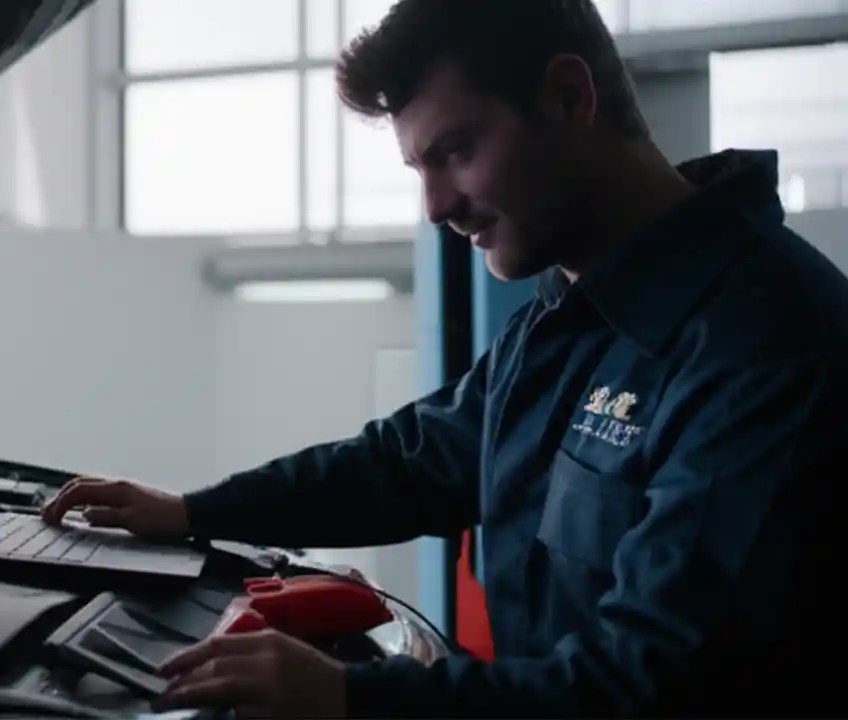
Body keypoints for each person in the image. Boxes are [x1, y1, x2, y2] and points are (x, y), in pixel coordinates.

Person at [44, 0, 848, 716]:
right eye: (418, 168)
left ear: (570, 98)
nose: (433, 208)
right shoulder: (575, 310)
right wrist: (190, 512)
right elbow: (414, 460)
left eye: (456, 152)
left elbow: (650, 685)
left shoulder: (766, 344)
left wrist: (348, 695)